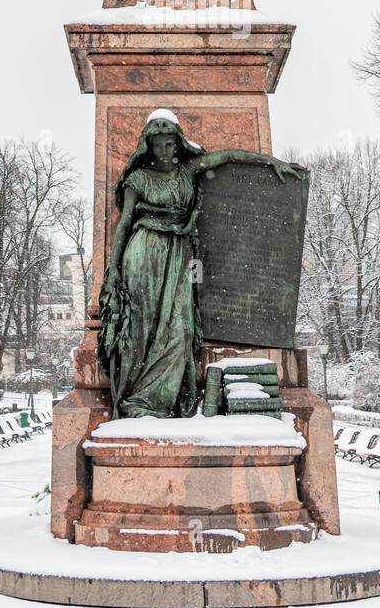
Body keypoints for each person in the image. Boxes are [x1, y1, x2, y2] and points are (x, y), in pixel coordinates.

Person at [98, 109, 303, 418]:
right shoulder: (138, 179)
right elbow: (124, 224)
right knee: (141, 327)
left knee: (179, 329)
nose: (164, 151)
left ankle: (159, 401)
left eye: (169, 144)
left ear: (178, 144)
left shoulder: (187, 170)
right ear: (149, 147)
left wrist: (271, 162)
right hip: (144, 252)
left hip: (179, 253)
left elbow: (227, 157)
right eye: (158, 145)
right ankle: (137, 401)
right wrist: (113, 268)